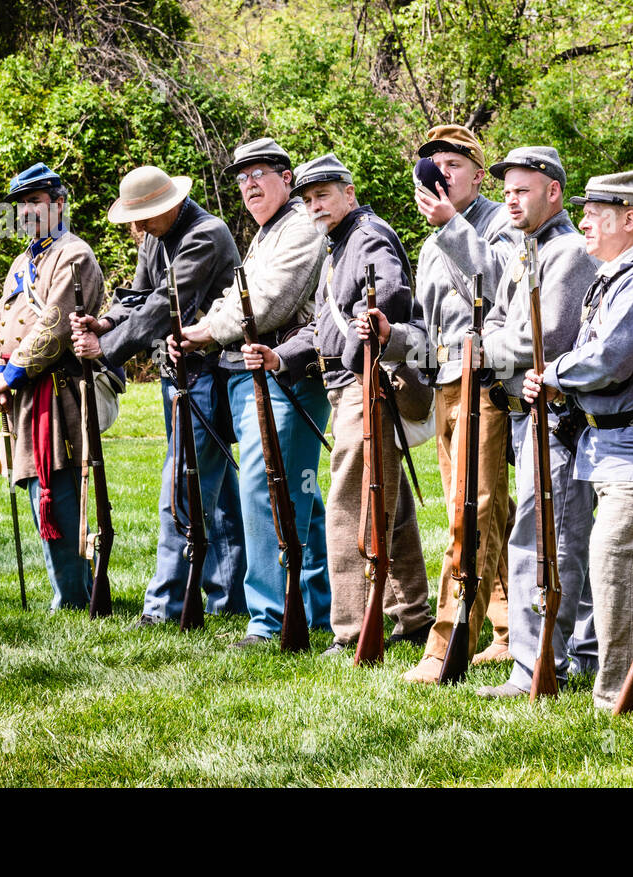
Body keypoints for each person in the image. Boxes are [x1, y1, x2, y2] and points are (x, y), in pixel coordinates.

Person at [241, 153, 434, 655]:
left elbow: (388, 301)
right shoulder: (339, 245)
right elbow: (326, 325)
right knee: (392, 507)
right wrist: (279, 356)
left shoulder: (367, 235)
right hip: (353, 381)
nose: (315, 205)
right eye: (307, 200)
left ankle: (350, 630)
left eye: (322, 195)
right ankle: (413, 615)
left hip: (364, 383)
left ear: (348, 192)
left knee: (350, 506)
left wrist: (350, 358)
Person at [522, 171, 633, 709]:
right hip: (618, 450)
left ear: (628, 218)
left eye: (594, 214)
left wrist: (552, 375)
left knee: (615, 561)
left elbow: (610, 358)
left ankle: (616, 694)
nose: (582, 223)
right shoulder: (614, 278)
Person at [171, 138, 332, 645]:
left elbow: (266, 305)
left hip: (287, 373)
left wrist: (200, 332)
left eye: (260, 173)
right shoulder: (268, 233)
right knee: (298, 496)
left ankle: (268, 621)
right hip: (261, 373)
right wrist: (202, 329)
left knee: (268, 492)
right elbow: (235, 297)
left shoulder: (302, 227)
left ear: (288, 179)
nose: (249, 185)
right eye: (241, 178)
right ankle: (314, 607)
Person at [70, 165, 246, 625]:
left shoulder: (206, 234)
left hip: (205, 376)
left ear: (169, 205)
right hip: (178, 375)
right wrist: (104, 322)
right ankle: (229, 597)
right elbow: (136, 296)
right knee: (217, 490)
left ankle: (164, 608)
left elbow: (162, 309)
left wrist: (103, 349)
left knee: (181, 490)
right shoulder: (155, 236)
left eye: (143, 218)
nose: (137, 228)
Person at [473, 146, 600, 699]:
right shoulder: (527, 250)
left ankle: (535, 666)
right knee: (566, 540)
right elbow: (505, 323)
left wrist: (482, 348)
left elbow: (542, 339)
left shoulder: (568, 252)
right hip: (528, 413)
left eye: (521, 189)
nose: (509, 198)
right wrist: (492, 344)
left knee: (541, 540)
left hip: (557, 418)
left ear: (553, 192)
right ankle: (578, 656)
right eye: (506, 190)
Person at [397, 124, 517, 682]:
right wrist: (390, 337)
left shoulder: (499, 224)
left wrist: (453, 227)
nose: (440, 174)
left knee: (473, 510)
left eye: (451, 163)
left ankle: (446, 643)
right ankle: (508, 626)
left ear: (475, 170)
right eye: (432, 165)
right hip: (446, 381)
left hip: (487, 380)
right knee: (473, 507)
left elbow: (502, 286)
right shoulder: (430, 240)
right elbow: (425, 327)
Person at [0, 162, 104, 610]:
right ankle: (69, 594)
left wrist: (10, 374)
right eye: (21, 206)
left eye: (35, 203)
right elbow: (0, 320)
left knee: (60, 494)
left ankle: (77, 597)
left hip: (59, 395)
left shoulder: (74, 254)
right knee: (39, 493)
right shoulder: (23, 261)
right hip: (26, 395)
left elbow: (53, 328)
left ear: (57, 204)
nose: (28, 213)